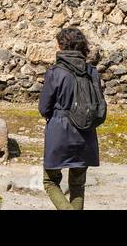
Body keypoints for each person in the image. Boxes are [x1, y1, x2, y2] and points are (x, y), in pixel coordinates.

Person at [38, 26, 105, 210]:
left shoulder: (55, 72)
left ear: (61, 46)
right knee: (77, 185)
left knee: (50, 181)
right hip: (86, 133)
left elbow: (44, 108)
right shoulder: (92, 72)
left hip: (60, 132)